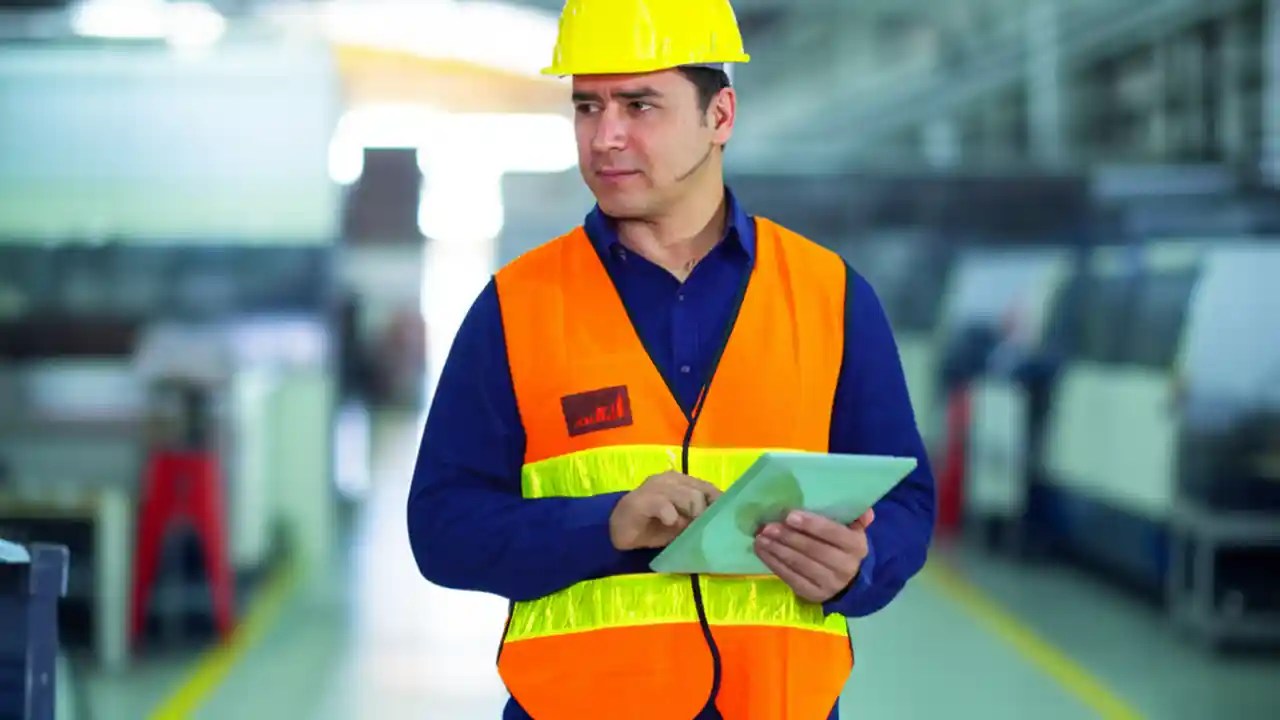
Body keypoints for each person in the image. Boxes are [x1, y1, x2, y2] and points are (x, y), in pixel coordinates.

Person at [407, 0, 935, 717]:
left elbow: (905, 500)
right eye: (587, 107)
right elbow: (443, 528)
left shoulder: (831, 297)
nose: (606, 137)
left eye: (640, 104)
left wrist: (858, 568)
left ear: (720, 116)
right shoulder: (516, 307)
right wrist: (606, 524)